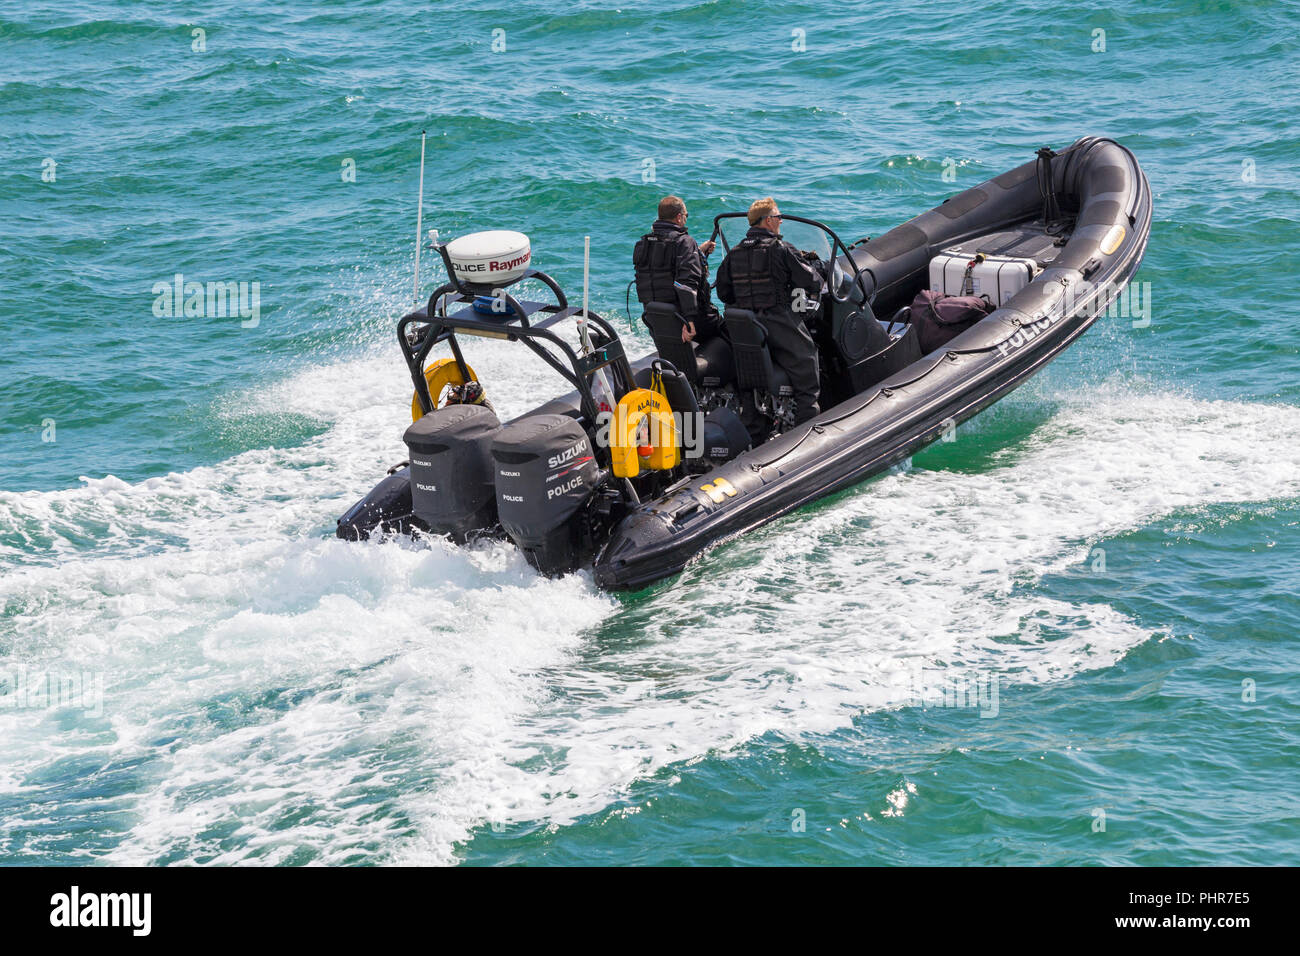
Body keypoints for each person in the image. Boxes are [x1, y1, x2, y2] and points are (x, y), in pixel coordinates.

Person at [716, 197, 824, 423]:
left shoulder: (734, 253)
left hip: (748, 327)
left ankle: (755, 426)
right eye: (778, 217)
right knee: (807, 362)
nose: (781, 221)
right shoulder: (780, 249)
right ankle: (809, 422)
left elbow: (724, 293)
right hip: (779, 321)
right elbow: (811, 280)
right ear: (767, 221)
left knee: (750, 376)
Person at [633, 196, 722, 343]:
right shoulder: (684, 242)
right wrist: (690, 320)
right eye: (686, 216)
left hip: (656, 319)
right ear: (679, 217)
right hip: (685, 319)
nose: (686, 219)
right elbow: (685, 283)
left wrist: (698, 253)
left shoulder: (643, 244)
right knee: (727, 330)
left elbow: (662, 271)